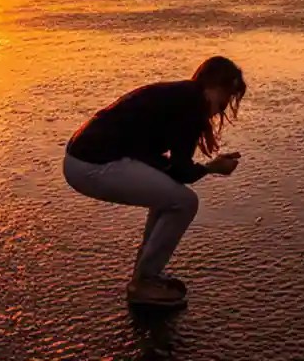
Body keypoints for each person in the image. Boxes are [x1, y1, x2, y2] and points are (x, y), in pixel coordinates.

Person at [63, 56, 246, 307]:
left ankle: (145, 274)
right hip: (92, 164)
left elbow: (172, 169)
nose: (222, 108)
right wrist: (211, 168)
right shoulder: (191, 105)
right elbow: (181, 171)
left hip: (82, 159)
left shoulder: (183, 96)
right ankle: (144, 280)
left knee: (170, 194)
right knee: (184, 201)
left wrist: (206, 167)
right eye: (225, 99)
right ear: (216, 87)